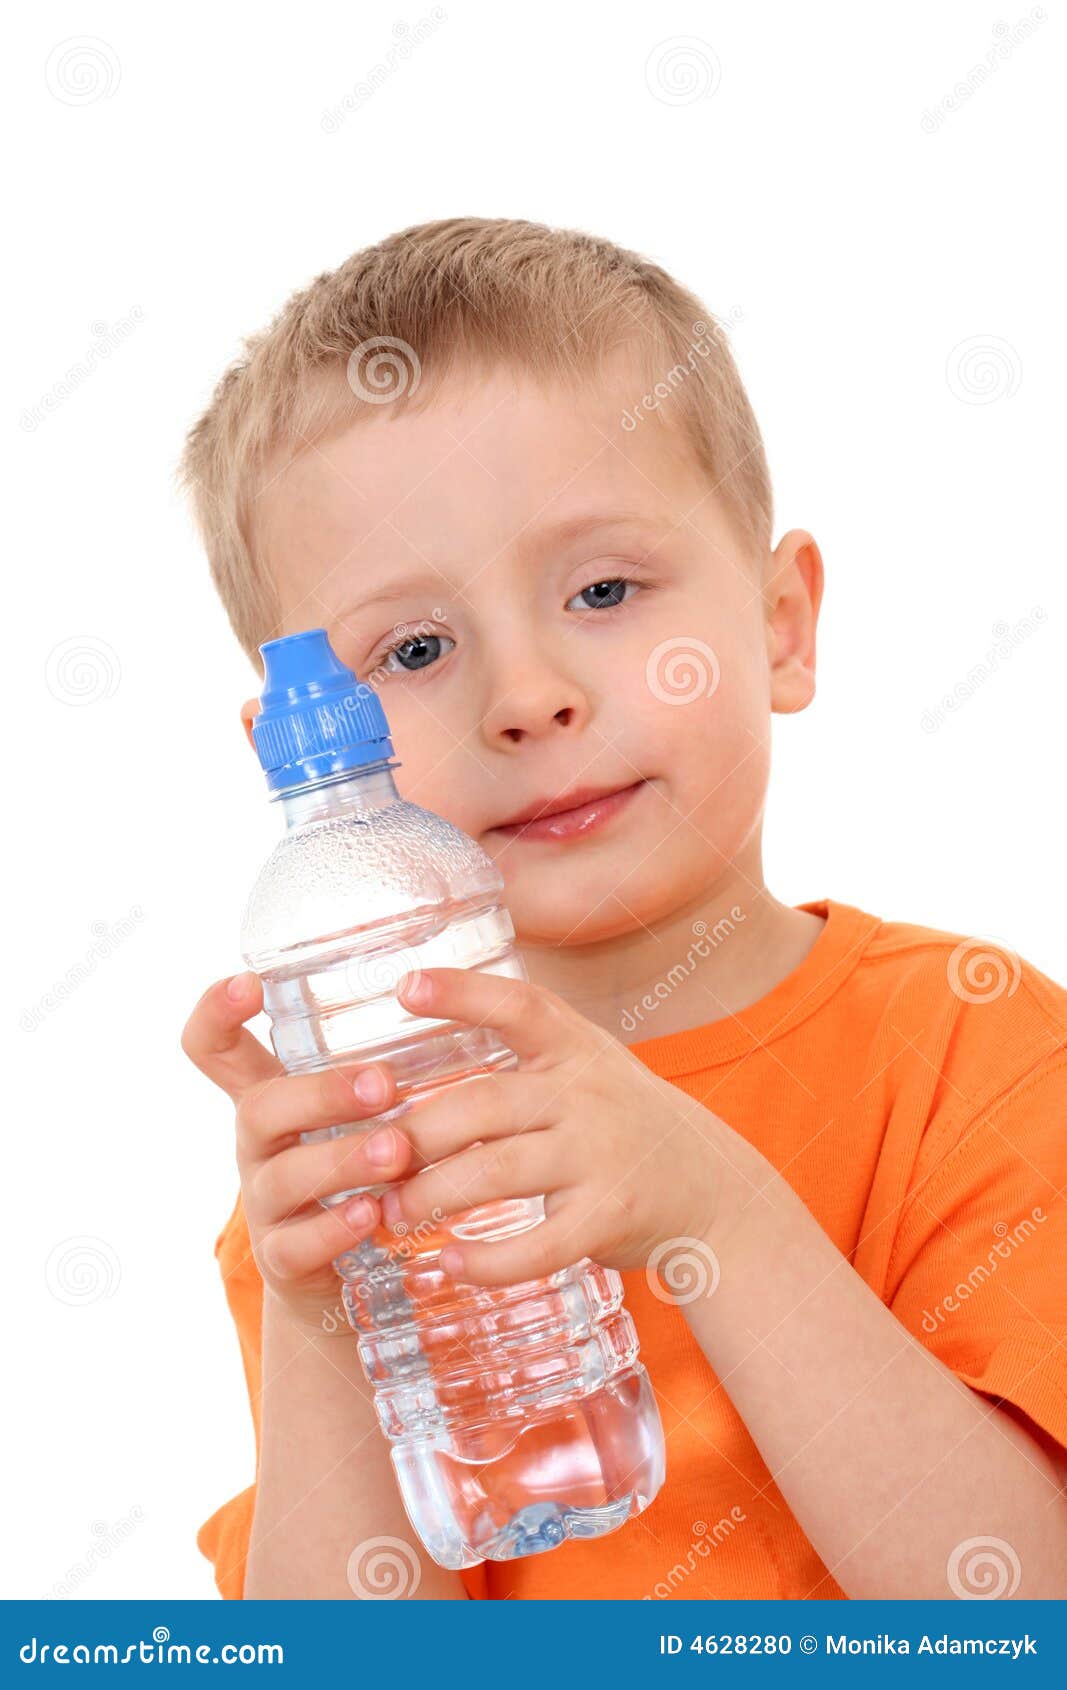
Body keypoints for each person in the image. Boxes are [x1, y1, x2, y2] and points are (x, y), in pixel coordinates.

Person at [178, 216, 1067, 1600]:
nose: (525, 696)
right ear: (305, 761)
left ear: (781, 625)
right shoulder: (361, 1167)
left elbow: (1024, 1605)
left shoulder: (977, 1051)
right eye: (412, 649)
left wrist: (711, 1207)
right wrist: (319, 1322)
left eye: (603, 587)